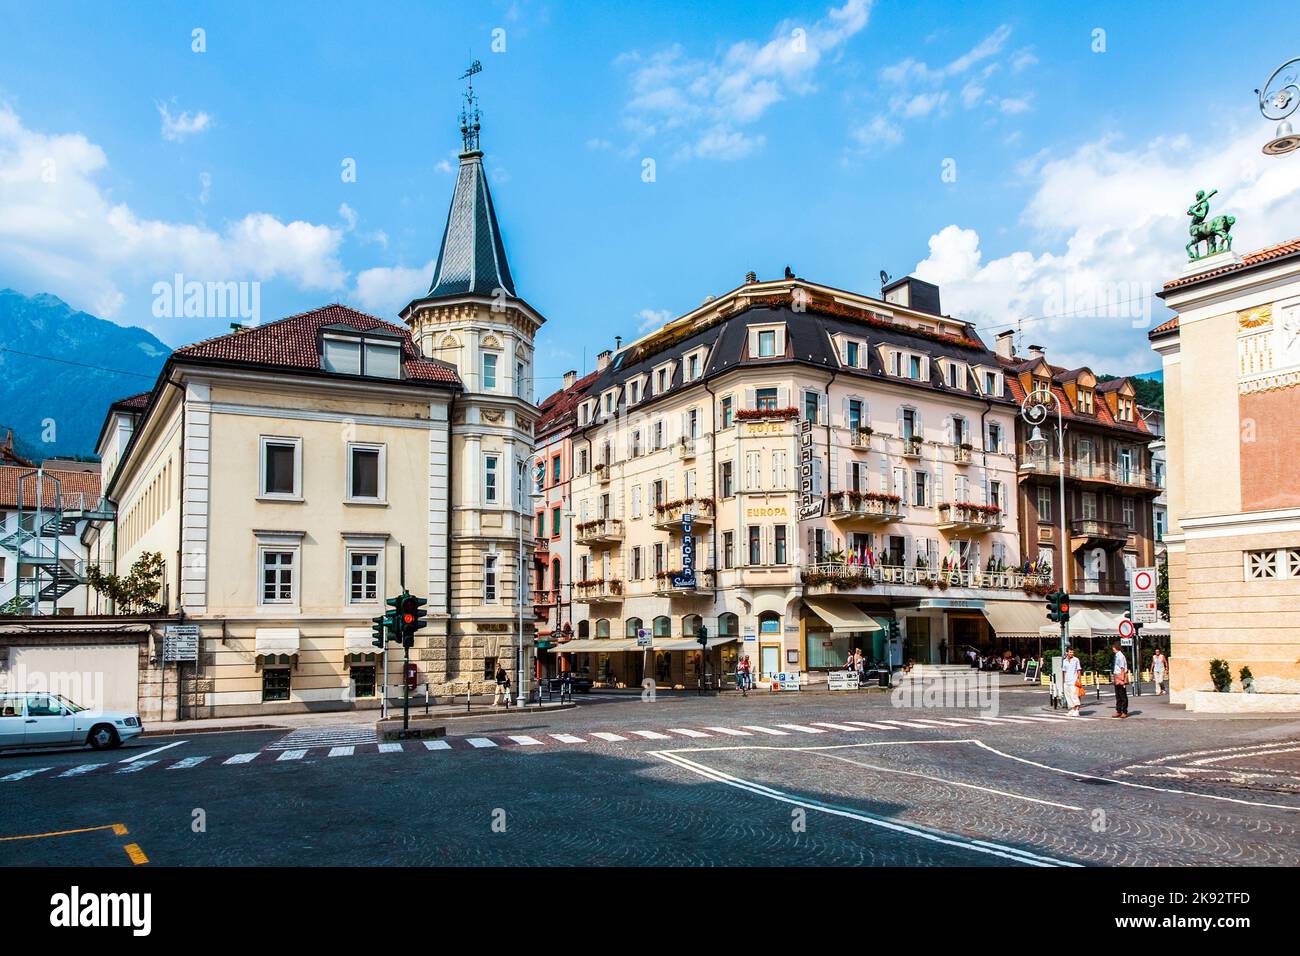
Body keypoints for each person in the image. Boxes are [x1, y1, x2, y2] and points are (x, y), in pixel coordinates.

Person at [1061, 647, 1082, 717]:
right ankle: (1073, 709)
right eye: (1070, 652)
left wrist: (1080, 680)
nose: (1072, 653)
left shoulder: (1076, 660)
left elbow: (1078, 670)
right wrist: (1063, 681)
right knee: (1068, 696)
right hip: (1067, 681)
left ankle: (1077, 710)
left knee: (1075, 696)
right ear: (1067, 653)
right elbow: (1064, 671)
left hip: (1074, 680)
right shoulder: (1064, 661)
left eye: (1072, 652)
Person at [1112, 641, 1130, 718]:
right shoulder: (1117, 655)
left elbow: (1122, 667)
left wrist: (1122, 678)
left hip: (1120, 675)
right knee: (1118, 695)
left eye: (1113, 648)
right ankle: (1118, 711)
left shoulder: (1120, 656)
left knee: (1122, 695)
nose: (1112, 649)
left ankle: (1124, 711)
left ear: (1116, 648)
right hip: (1117, 675)